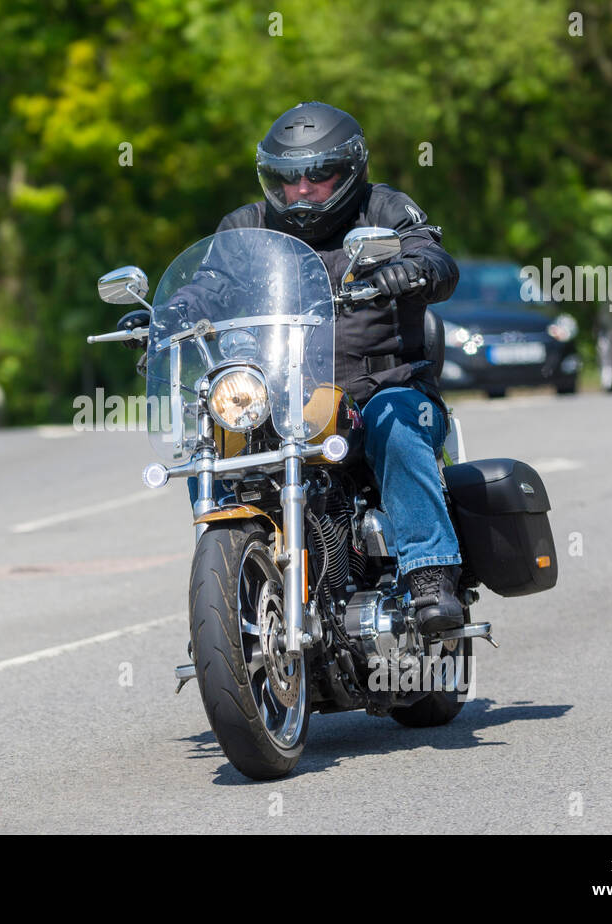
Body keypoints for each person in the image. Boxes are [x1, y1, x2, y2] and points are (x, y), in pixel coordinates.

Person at [117, 101, 463, 633]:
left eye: (318, 178)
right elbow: (208, 286)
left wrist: (413, 268)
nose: (301, 192)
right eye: (287, 180)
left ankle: (430, 575)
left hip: (377, 389)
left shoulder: (384, 210)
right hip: (275, 397)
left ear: (349, 173)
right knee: (214, 439)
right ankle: (227, 597)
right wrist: (169, 316)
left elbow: (435, 258)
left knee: (399, 421)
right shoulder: (245, 226)